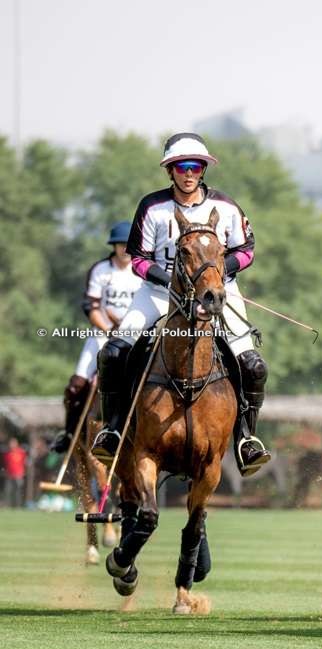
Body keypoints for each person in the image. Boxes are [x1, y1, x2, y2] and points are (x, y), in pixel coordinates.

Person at [91, 133, 270, 477]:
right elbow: (139, 258)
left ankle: (246, 439)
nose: (188, 173)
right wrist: (167, 281)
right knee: (112, 353)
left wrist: (218, 273)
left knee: (253, 365)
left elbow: (246, 250)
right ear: (170, 170)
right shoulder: (152, 207)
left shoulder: (227, 206)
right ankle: (113, 430)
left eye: (195, 166)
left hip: (219, 292)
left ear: (203, 170)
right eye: (181, 167)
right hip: (160, 294)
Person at [51, 222, 142, 453]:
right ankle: (69, 432)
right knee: (76, 385)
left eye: (128, 245)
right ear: (113, 246)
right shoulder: (101, 270)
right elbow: (90, 306)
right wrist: (109, 329)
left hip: (136, 335)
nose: (124, 249)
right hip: (102, 334)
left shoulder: (143, 270)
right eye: (120, 245)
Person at [4, 437, 27, 507]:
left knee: (18, 492)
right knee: (8, 491)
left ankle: (18, 506)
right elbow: (6, 464)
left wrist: (22, 473)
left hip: (18, 476)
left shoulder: (21, 452)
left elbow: (24, 463)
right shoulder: (7, 453)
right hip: (10, 475)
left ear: (17, 444)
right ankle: (8, 505)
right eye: (10, 443)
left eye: (13, 443)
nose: (11, 445)